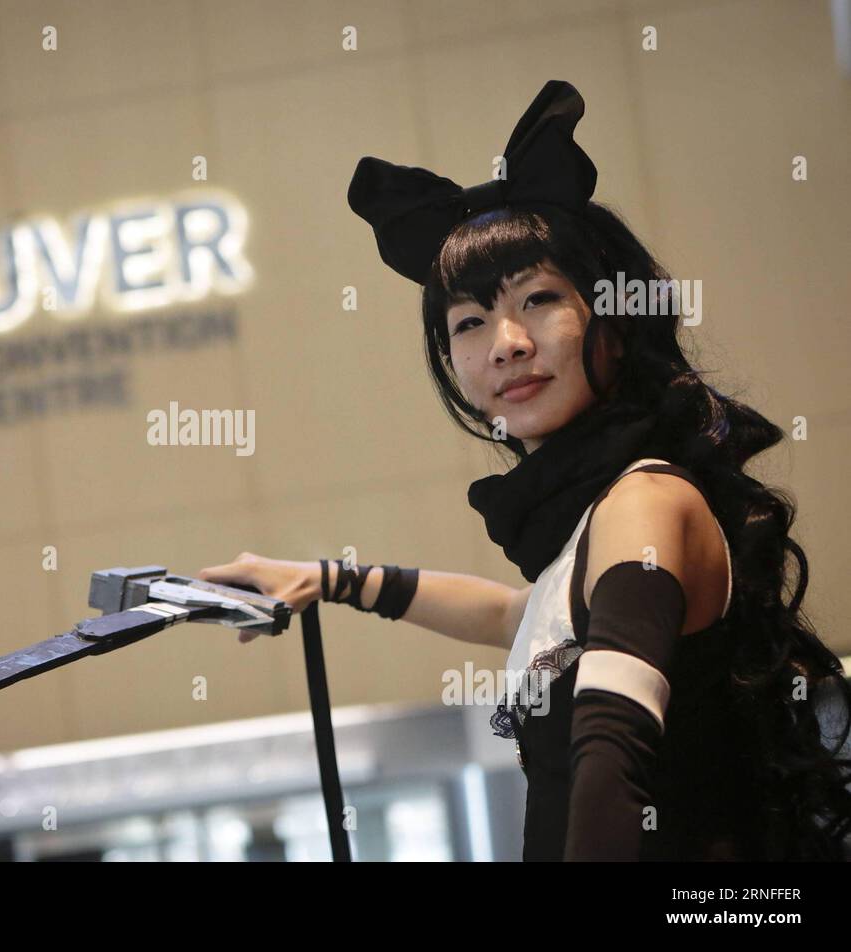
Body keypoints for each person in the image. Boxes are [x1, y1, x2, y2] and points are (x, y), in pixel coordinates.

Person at [198, 80, 851, 861]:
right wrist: (329, 579)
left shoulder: (644, 501)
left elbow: (611, 766)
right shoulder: (602, 514)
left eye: (538, 299)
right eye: (469, 322)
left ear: (613, 318)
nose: (505, 342)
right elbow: (519, 616)